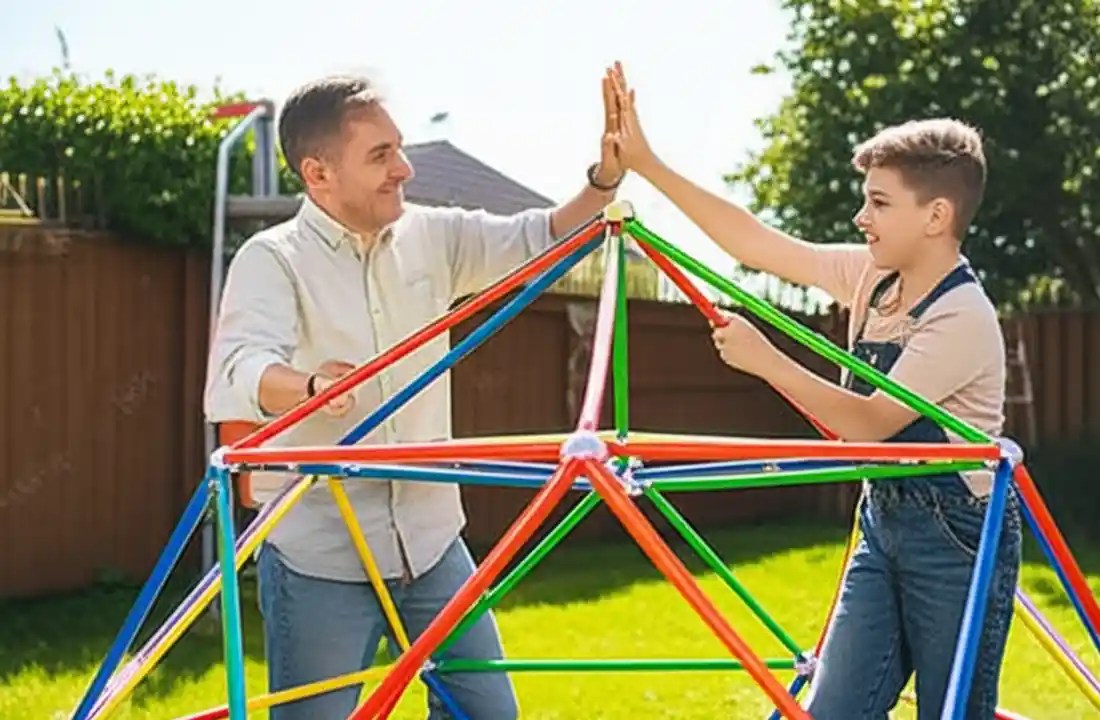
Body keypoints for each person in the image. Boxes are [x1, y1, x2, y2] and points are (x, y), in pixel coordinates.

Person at [601, 63, 1021, 719]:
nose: (861, 217)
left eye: (879, 203)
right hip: (883, 525)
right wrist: (649, 164)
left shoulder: (961, 314)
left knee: (952, 712)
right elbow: (755, 243)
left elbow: (871, 425)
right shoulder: (872, 278)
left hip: (958, 541)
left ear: (937, 215)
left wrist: (769, 360)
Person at [203, 73, 626, 719]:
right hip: (324, 559)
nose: (403, 168)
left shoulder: (432, 235)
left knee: (488, 715)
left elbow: (538, 238)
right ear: (318, 174)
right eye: (380, 156)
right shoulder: (272, 258)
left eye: (399, 149)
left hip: (433, 545)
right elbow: (239, 366)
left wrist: (603, 181)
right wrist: (311, 388)